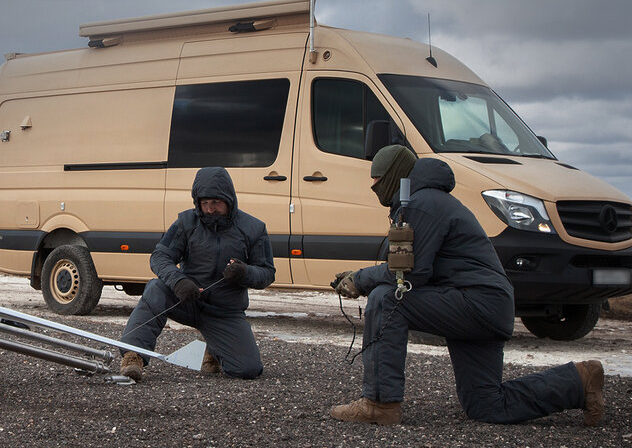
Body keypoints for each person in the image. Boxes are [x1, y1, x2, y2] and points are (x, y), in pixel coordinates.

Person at [329, 145, 605, 426]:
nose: (373, 185)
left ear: (395, 175)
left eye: (377, 178)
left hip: (475, 302)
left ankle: (379, 403)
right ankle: (578, 381)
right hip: (484, 305)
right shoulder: (426, 202)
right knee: (486, 405)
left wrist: (360, 280)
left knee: (386, 299)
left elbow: (410, 274)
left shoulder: (422, 203)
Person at [118, 166, 275, 382]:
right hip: (186, 300)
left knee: (247, 370)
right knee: (155, 288)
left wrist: (244, 272)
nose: (210, 209)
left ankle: (214, 349)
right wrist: (179, 281)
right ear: (197, 202)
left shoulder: (253, 228)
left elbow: (267, 273)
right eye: (205, 203)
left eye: (216, 203)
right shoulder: (185, 222)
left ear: (229, 200)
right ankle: (133, 354)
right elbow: (159, 257)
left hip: (224, 311)